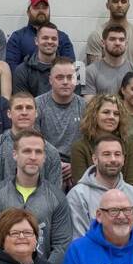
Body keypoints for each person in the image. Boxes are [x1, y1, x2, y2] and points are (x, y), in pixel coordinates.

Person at [0, 129, 72, 264]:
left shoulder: (58, 197)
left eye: (38, 152)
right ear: (15, 155)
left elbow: (62, 246)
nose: (33, 157)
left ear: (44, 157)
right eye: (27, 151)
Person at [0, 92, 62, 189]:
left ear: (36, 113)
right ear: (9, 113)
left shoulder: (51, 152)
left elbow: (55, 196)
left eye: (29, 108)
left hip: (41, 203)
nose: (24, 112)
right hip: (0, 203)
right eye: (19, 108)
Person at [67, 134, 133, 236]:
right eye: (106, 154)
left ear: (123, 159)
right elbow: (79, 241)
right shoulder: (78, 195)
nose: (113, 159)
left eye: (117, 154)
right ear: (95, 159)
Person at [35, 59, 85, 188]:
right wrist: (56, 164)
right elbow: (33, 141)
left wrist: (75, 165)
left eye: (70, 77)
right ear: (50, 80)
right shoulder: (37, 105)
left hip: (77, 165)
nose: (65, 82)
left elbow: (90, 144)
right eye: (59, 77)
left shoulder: (86, 107)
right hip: (45, 164)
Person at [70, 93, 133, 185]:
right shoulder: (80, 147)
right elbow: (81, 184)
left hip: (123, 197)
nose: (111, 117)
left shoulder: (128, 144)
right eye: (106, 112)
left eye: (116, 114)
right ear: (94, 115)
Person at [85, 0, 133, 71]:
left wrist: (132, 83)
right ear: (107, 5)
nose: (119, 5)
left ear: (128, 6)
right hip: (104, 82)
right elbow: (94, 71)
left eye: (123, 2)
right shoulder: (96, 35)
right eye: (115, 1)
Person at [5, 0, 76, 68]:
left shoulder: (62, 37)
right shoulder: (17, 37)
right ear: (28, 12)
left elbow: (69, 66)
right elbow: (12, 68)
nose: (41, 10)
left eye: (44, 7)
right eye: (36, 7)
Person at [12, 22, 62, 98]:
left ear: (58, 42)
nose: (50, 41)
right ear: (36, 41)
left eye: (54, 39)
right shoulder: (22, 71)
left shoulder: (67, 70)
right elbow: (23, 104)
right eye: (45, 38)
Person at [83, 24, 133, 96]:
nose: (117, 43)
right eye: (112, 39)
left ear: (126, 44)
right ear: (103, 43)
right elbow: (90, 104)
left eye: (121, 40)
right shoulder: (90, 72)